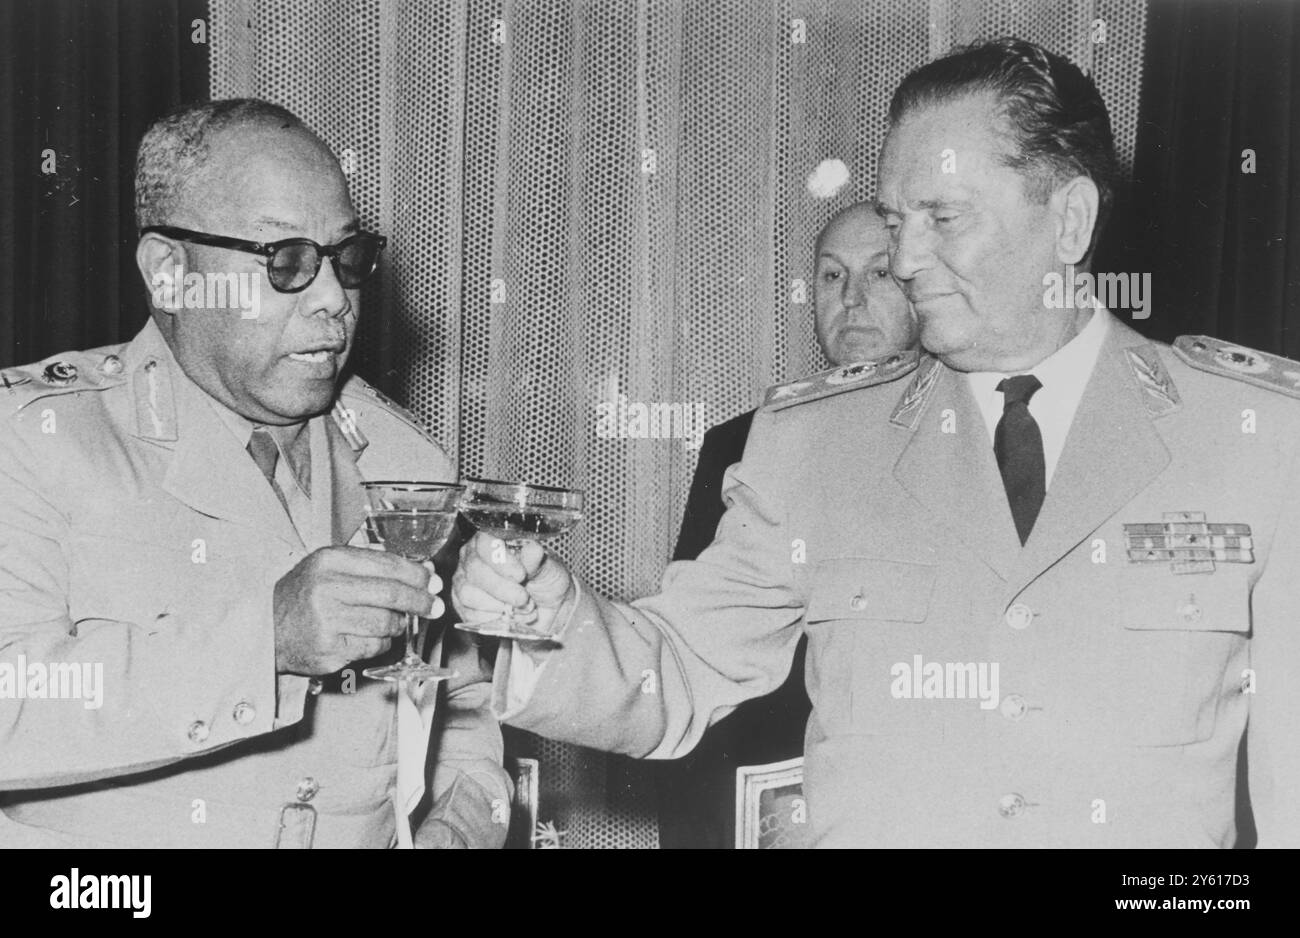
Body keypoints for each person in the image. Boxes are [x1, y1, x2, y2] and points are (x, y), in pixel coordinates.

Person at [454, 38, 1300, 848]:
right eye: (898, 220)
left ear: (1070, 220)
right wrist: (547, 614)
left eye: (944, 217)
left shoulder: (1255, 441)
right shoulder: (815, 445)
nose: (906, 259)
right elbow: (672, 671)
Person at [0, 99, 509, 848]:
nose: (335, 301)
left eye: (348, 259)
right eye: (287, 263)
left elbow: (466, 708)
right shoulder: (37, 441)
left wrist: (458, 830)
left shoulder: (407, 466)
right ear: (170, 273)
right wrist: (262, 640)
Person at [656, 202, 916, 849]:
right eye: (832, 277)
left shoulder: (958, 439)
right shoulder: (745, 443)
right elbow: (700, 646)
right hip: (763, 780)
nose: (851, 299)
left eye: (878, 275)